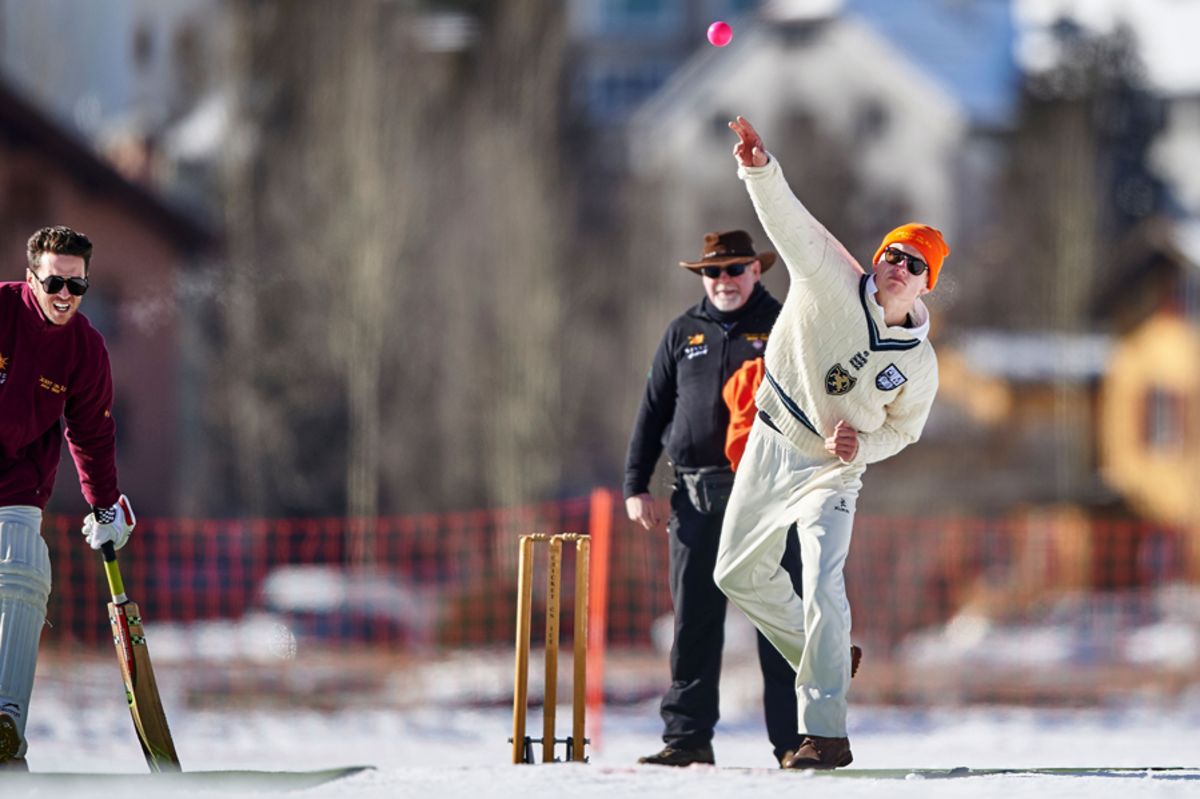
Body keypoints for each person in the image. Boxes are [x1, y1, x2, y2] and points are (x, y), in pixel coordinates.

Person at [714, 117, 949, 770]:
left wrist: (859, 448)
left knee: (822, 585)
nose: (898, 266)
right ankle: (828, 651)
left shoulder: (921, 363)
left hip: (833, 472)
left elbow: (904, 429)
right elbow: (789, 219)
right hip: (773, 437)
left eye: (915, 264)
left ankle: (824, 733)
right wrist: (758, 165)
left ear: (928, 284)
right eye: (893, 253)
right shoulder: (830, 277)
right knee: (733, 571)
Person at [623, 229, 807, 767]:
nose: (723, 280)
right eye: (713, 272)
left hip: (769, 495)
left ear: (757, 270)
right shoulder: (683, 332)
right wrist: (637, 484)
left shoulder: (783, 327)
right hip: (694, 496)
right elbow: (653, 411)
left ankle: (795, 742)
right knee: (694, 621)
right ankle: (687, 740)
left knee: (778, 618)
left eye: (734, 269)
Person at [0, 226, 137, 770]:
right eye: (54, 281)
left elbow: (93, 435)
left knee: (23, 569)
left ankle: (5, 729)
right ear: (31, 275)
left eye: (76, 286)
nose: (64, 295)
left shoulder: (85, 349)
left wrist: (106, 505)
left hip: (20, 479)